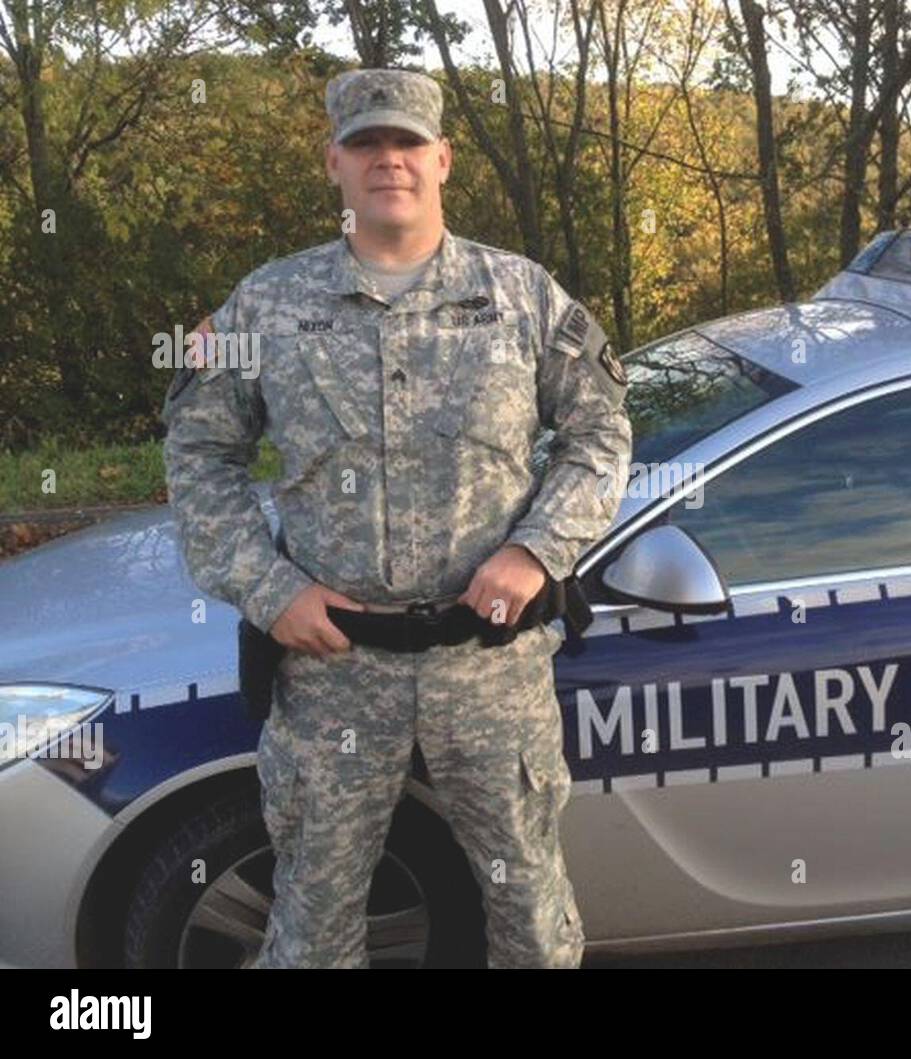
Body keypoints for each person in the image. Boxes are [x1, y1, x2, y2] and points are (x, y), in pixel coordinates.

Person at [160, 67, 632, 968]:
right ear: (334, 163)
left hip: (487, 672)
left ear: (443, 159)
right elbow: (197, 453)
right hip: (335, 671)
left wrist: (538, 553)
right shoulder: (266, 305)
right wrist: (270, 588)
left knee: (531, 922)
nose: (391, 161)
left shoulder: (523, 296)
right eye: (368, 144)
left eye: (408, 143)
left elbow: (603, 431)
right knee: (311, 932)